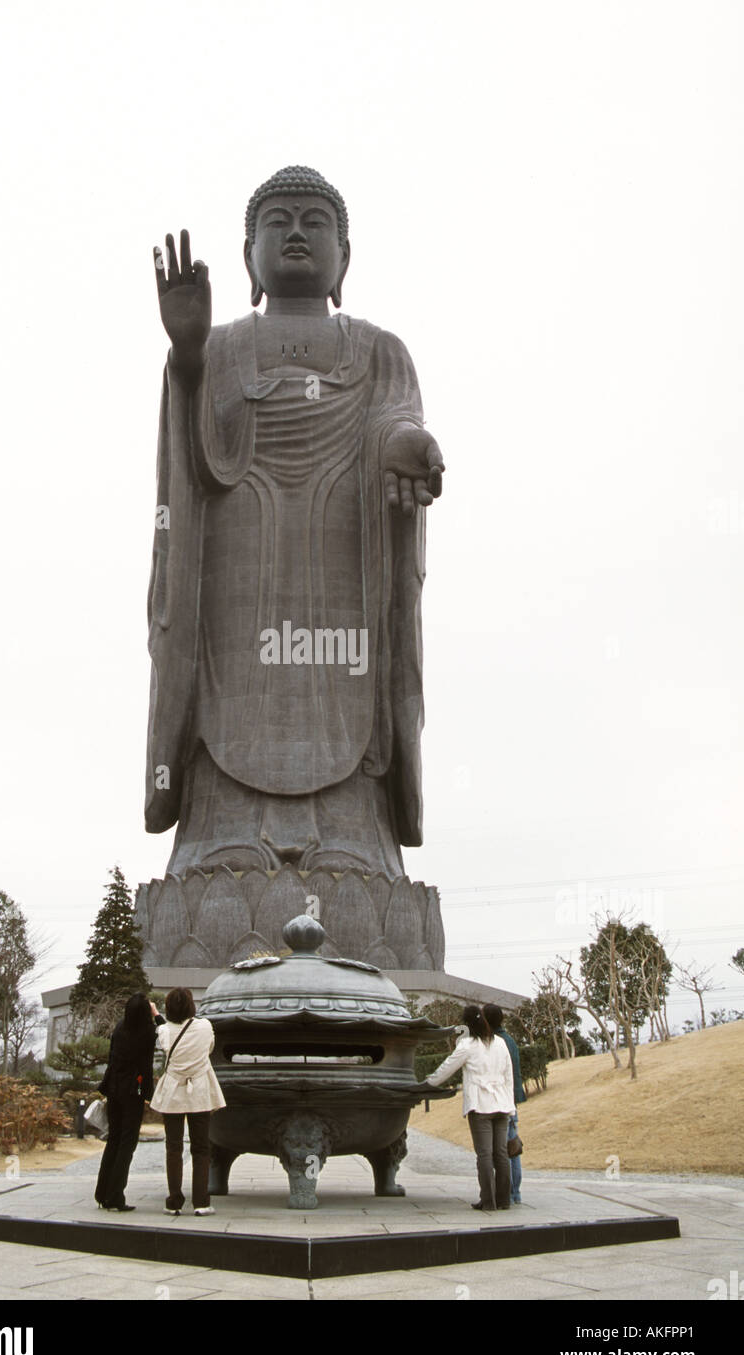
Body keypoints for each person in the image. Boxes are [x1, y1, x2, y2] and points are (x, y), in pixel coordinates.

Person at [146, 167, 445, 880]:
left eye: (316, 222)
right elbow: (191, 462)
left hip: (346, 552)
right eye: (277, 222)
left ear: (346, 256)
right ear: (248, 254)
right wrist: (186, 356)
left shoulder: (379, 349)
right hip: (232, 563)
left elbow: (395, 418)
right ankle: (216, 836)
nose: (297, 233)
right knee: (227, 678)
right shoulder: (216, 348)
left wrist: (404, 443)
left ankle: (357, 840)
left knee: (346, 670)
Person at [426, 1004, 514, 1212]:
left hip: (480, 1105)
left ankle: (488, 1200)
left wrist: (429, 1083)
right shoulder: (500, 1043)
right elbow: (508, 1076)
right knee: (501, 1154)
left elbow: (448, 1067)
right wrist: (511, 1106)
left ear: (467, 1024)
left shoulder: (467, 1045)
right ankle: (504, 1200)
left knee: (484, 1154)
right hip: (502, 1104)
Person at [149, 986, 226, 1216]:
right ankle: (201, 1202)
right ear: (192, 1006)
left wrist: (154, 1014)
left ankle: (174, 1201)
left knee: (173, 1147)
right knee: (201, 1147)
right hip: (199, 1090)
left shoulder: (165, 1032)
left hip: (173, 1090)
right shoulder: (205, 1027)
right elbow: (210, 1048)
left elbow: (163, 1030)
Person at [94, 993, 164, 1212]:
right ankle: (116, 1195)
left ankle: (103, 1192)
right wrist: (157, 1014)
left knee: (114, 1139)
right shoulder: (147, 1032)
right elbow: (167, 1032)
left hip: (114, 1087)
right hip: (134, 1090)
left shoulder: (119, 1027)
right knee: (127, 1142)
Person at [483, 1002, 527, 1204]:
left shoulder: (496, 1042)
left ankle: (509, 1192)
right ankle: (513, 1192)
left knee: (504, 1150)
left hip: (501, 1103)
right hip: (511, 1102)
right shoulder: (510, 1040)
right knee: (511, 1148)